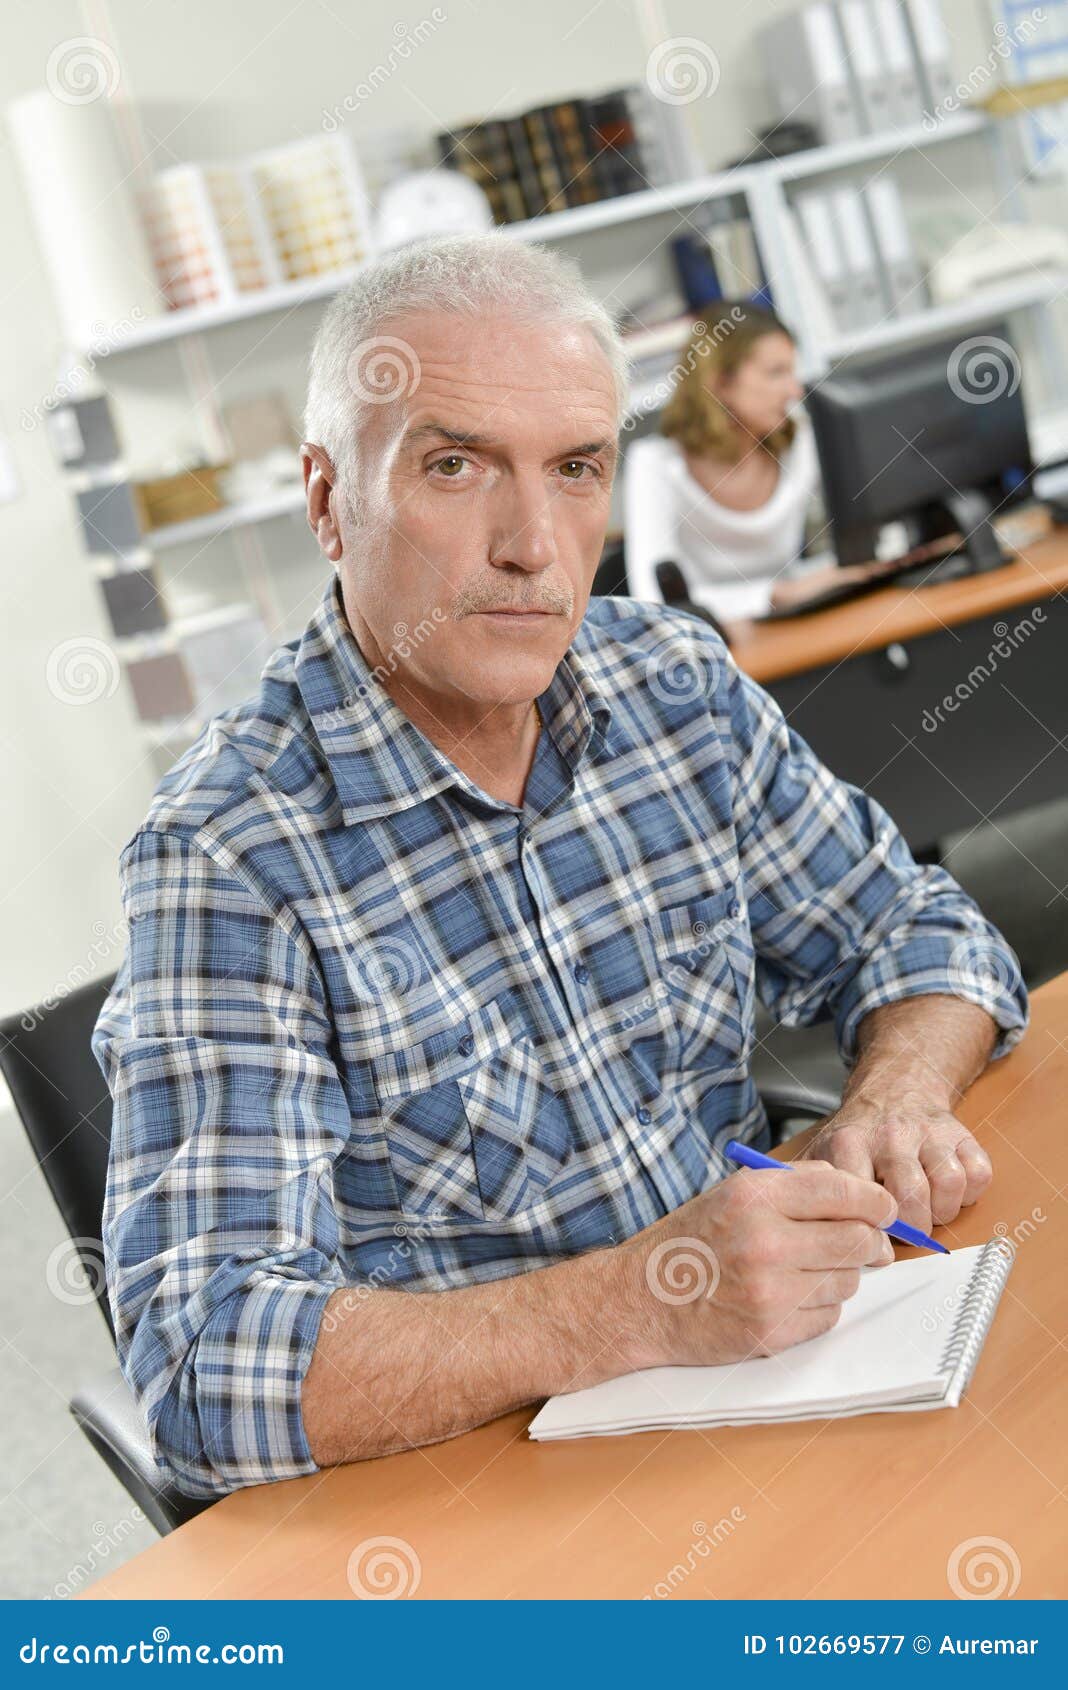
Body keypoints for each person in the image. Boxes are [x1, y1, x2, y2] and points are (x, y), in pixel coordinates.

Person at [94, 232, 1027, 1500]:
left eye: (578, 467)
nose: (535, 544)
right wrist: (631, 1306)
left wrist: (894, 1099)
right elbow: (206, 1363)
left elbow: (919, 926)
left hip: (784, 1390)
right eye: (455, 465)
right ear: (327, 500)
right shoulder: (229, 855)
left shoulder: (673, 686)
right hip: (508, 1497)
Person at [623, 304, 893, 620]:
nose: (794, 390)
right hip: (713, 644)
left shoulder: (801, 441)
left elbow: (873, 522)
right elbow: (652, 598)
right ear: (721, 383)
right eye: (776, 372)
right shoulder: (655, 465)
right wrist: (774, 594)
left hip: (800, 624)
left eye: (792, 371)